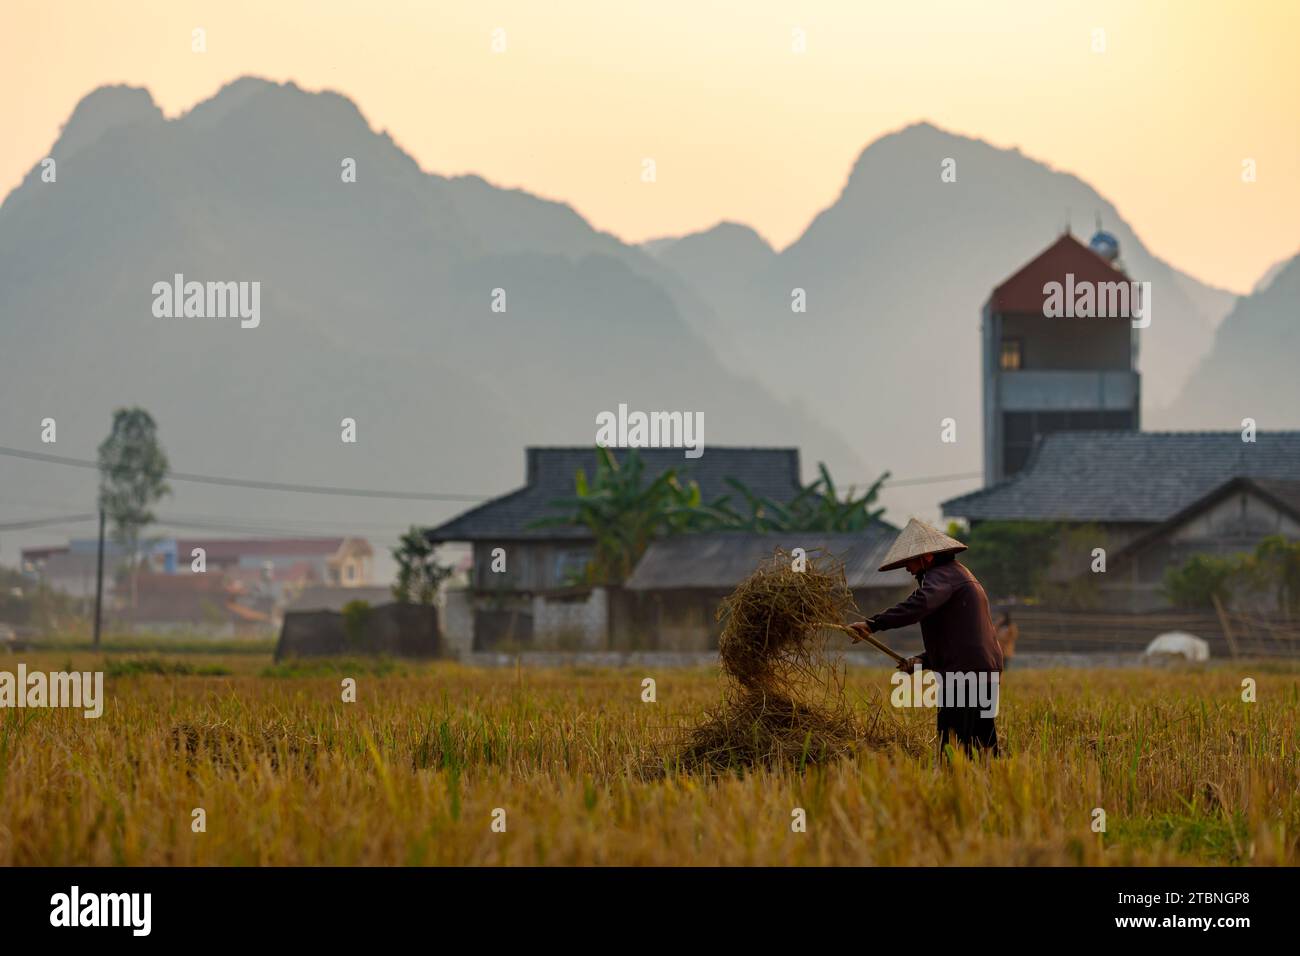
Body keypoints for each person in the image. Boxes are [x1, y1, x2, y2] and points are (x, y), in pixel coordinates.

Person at [847, 518, 1002, 758]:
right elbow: (961, 637)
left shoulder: (941, 576)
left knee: (954, 745)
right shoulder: (958, 575)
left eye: (909, 562)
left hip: (964, 673)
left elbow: (921, 604)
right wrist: (923, 660)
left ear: (926, 557)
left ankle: (959, 789)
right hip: (980, 668)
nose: (907, 569)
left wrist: (873, 624)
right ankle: (993, 786)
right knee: (982, 741)